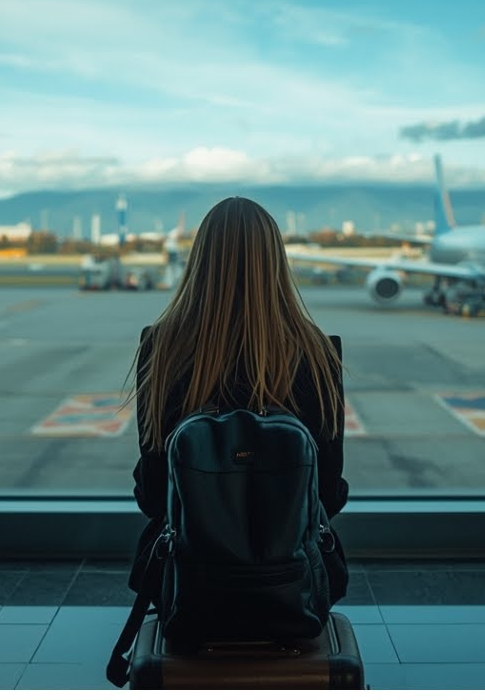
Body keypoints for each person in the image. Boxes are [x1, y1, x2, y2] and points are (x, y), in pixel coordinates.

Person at [126, 195, 349, 597]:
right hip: (291, 584)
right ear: (276, 261)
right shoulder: (317, 353)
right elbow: (328, 494)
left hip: (188, 584)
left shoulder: (161, 347)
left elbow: (153, 494)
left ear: (200, 261)